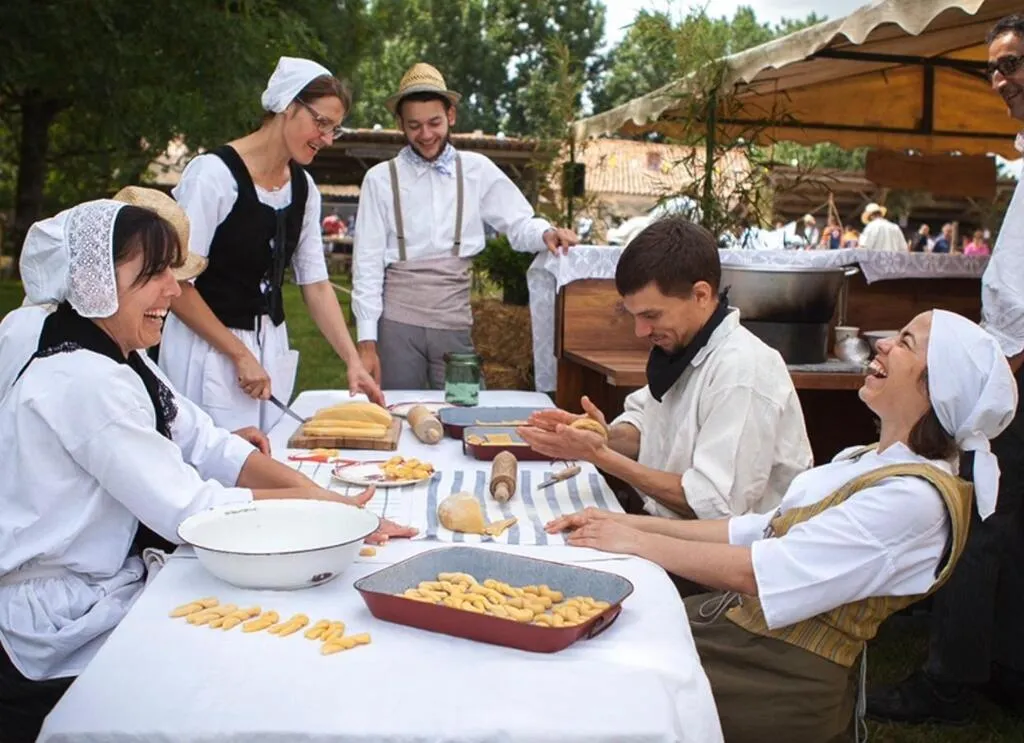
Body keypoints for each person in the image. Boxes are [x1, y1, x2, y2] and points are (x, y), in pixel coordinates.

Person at [0, 200, 415, 741]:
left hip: (98, 579)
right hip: (57, 619)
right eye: (154, 274)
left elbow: (211, 443)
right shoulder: (84, 381)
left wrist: (320, 496)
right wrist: (326, 513)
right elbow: (194, 512)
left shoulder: (117, 353)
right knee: (234, 680)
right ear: (96, 281)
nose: (174, 291)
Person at [548, 309, 1017, 742]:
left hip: (775, 677)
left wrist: (635, 541)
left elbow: (760, 570)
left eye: (906, 343)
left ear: (940, 388)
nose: (884, 345)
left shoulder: (913, 498)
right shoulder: (865, 461)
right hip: (748, 640)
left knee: (595, 675)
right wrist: (624, 524)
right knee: (595, 637)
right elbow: (755, 528)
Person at [867, 13, 1024, 726]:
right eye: (996, 66)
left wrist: (1003, 375)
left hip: (1014, 377)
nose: (1002, 79)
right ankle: (1002, 664)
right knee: (1005, 522)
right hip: (1006, 366)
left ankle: (951, 677)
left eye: (1014, 63)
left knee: (979, 518)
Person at [519, 217, 812, 528]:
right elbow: (647, 426)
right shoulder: (687, 345)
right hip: (677, 535)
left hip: (732, 563)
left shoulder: (742, 371)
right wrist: (600, 435)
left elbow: (713, 507)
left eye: (651, 315)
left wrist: (601, 456)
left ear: (701, 295)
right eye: (634, 315)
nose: (640, 330)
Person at [158, 56, 381, 434]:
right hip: (205, 348)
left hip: (268, 347)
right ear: (287, 106)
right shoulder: (213, 176)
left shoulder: (303, 188)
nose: (326, 139)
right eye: (321, 123)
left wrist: (351, 360)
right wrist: (237, 352)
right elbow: (175, 284)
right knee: (209, 469)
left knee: (266, 464)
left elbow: (315, 282)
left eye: (334, 129)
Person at [351, 62, 577, 390]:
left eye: (434, 122)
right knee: (398, 413)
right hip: (397, 326)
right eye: (414, 125)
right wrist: (367, 342)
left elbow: (519, 223)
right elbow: (366, 265)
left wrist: (545, 233)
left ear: (451, 116)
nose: (425, 135)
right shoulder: (380, 179)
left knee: (467, 411)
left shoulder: (477, 170)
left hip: (454, 323)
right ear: (400, 123)